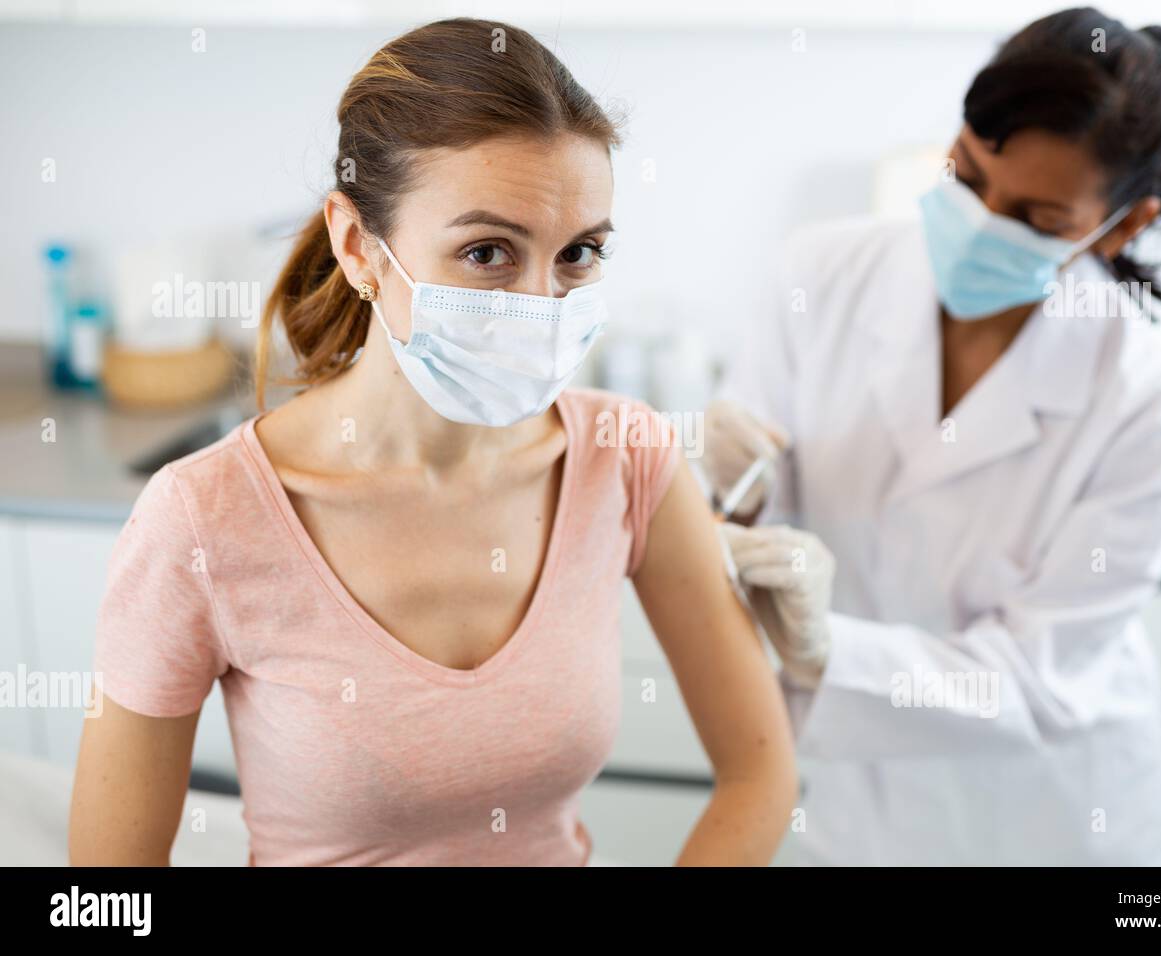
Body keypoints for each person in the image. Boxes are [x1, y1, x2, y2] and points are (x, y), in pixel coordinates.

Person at [70, 18, 796, 867]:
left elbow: (760, 773)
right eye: (487, 252)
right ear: (357, 246)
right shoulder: (201, 518)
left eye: (579, 253)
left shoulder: (627, 459)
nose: (543, 303)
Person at [706, 7, 1161, 865]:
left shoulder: (1151, 402)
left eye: (1038, 217)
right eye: (968, 175)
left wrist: (831, 647)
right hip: (856, 801)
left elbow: (1040, 680)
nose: (981, 220)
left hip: (1048, 810)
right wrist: (731, 492)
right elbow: (743, 521)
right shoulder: (822, 274)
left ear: (1122, 226)